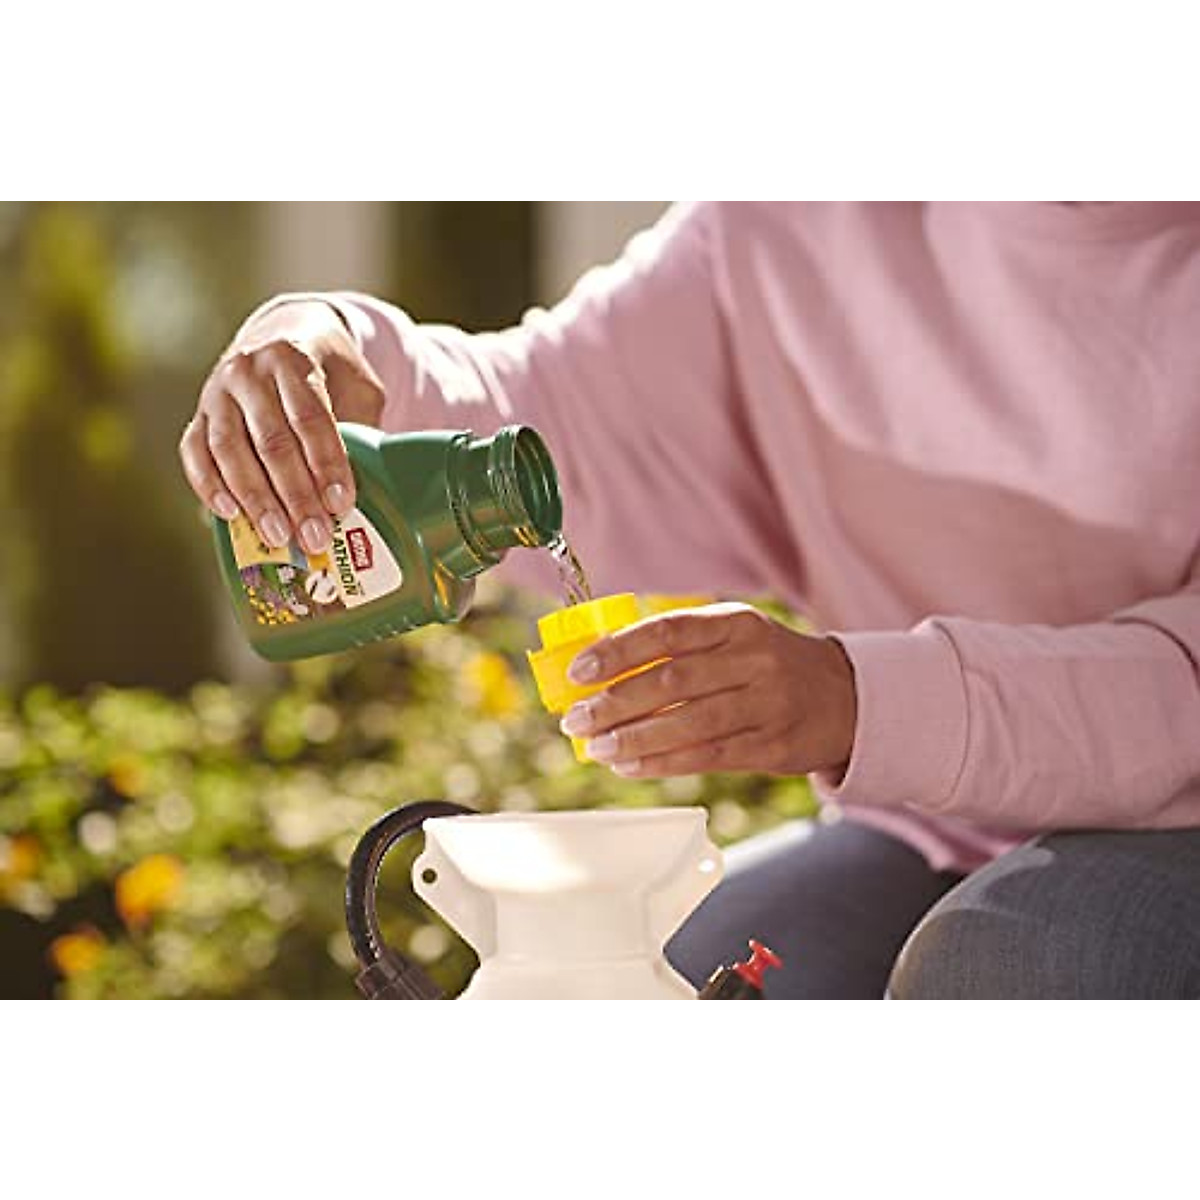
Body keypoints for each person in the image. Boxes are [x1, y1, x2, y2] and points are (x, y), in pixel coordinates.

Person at [180, 202, 1200, 999]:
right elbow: (554, 416)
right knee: (640, 991)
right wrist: (335, 345)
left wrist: (860, 701)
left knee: (1015, 964)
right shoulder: (791, 221)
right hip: (932, 828)